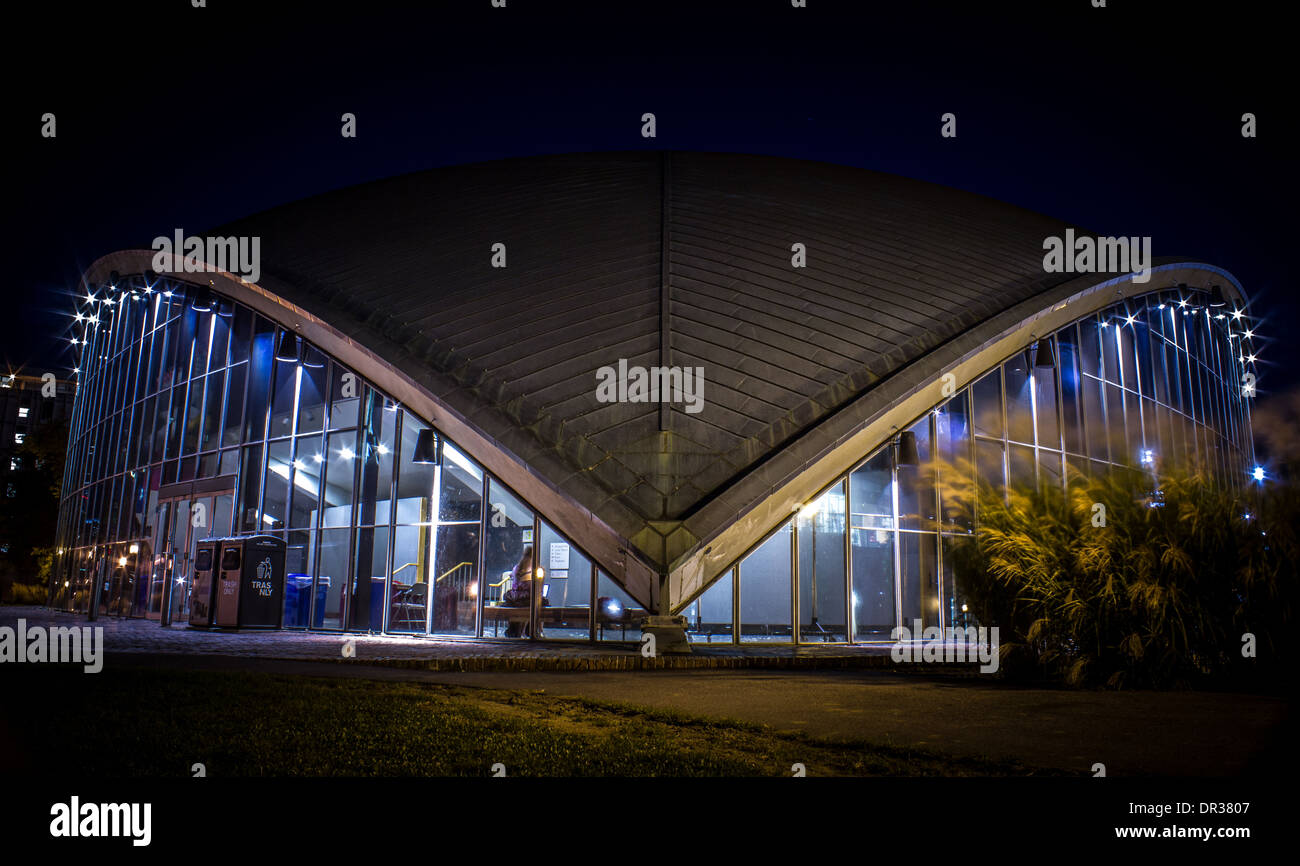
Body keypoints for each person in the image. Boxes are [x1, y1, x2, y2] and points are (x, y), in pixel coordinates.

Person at [502, 545, 538, 637]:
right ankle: (532, 631)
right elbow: (531, 587)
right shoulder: (533, 568)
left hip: (514, 598)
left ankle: (516, 630)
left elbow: (513, 576)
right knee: (539, 603)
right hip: (525, 599)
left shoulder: (517, 567)